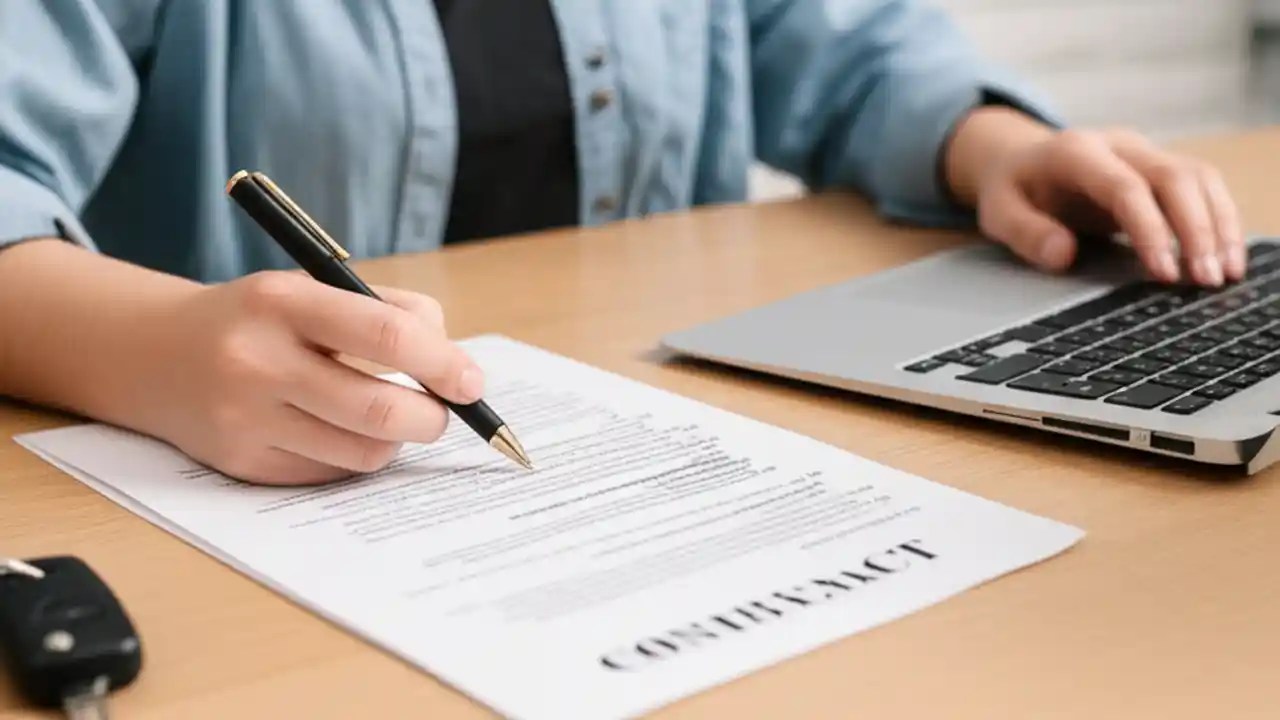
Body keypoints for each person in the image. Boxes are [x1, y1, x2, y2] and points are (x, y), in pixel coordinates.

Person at [0, 1, 1244, 485]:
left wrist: (987, 146)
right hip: (247, 492)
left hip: (639, 429)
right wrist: (152, 349)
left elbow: (824, 42)